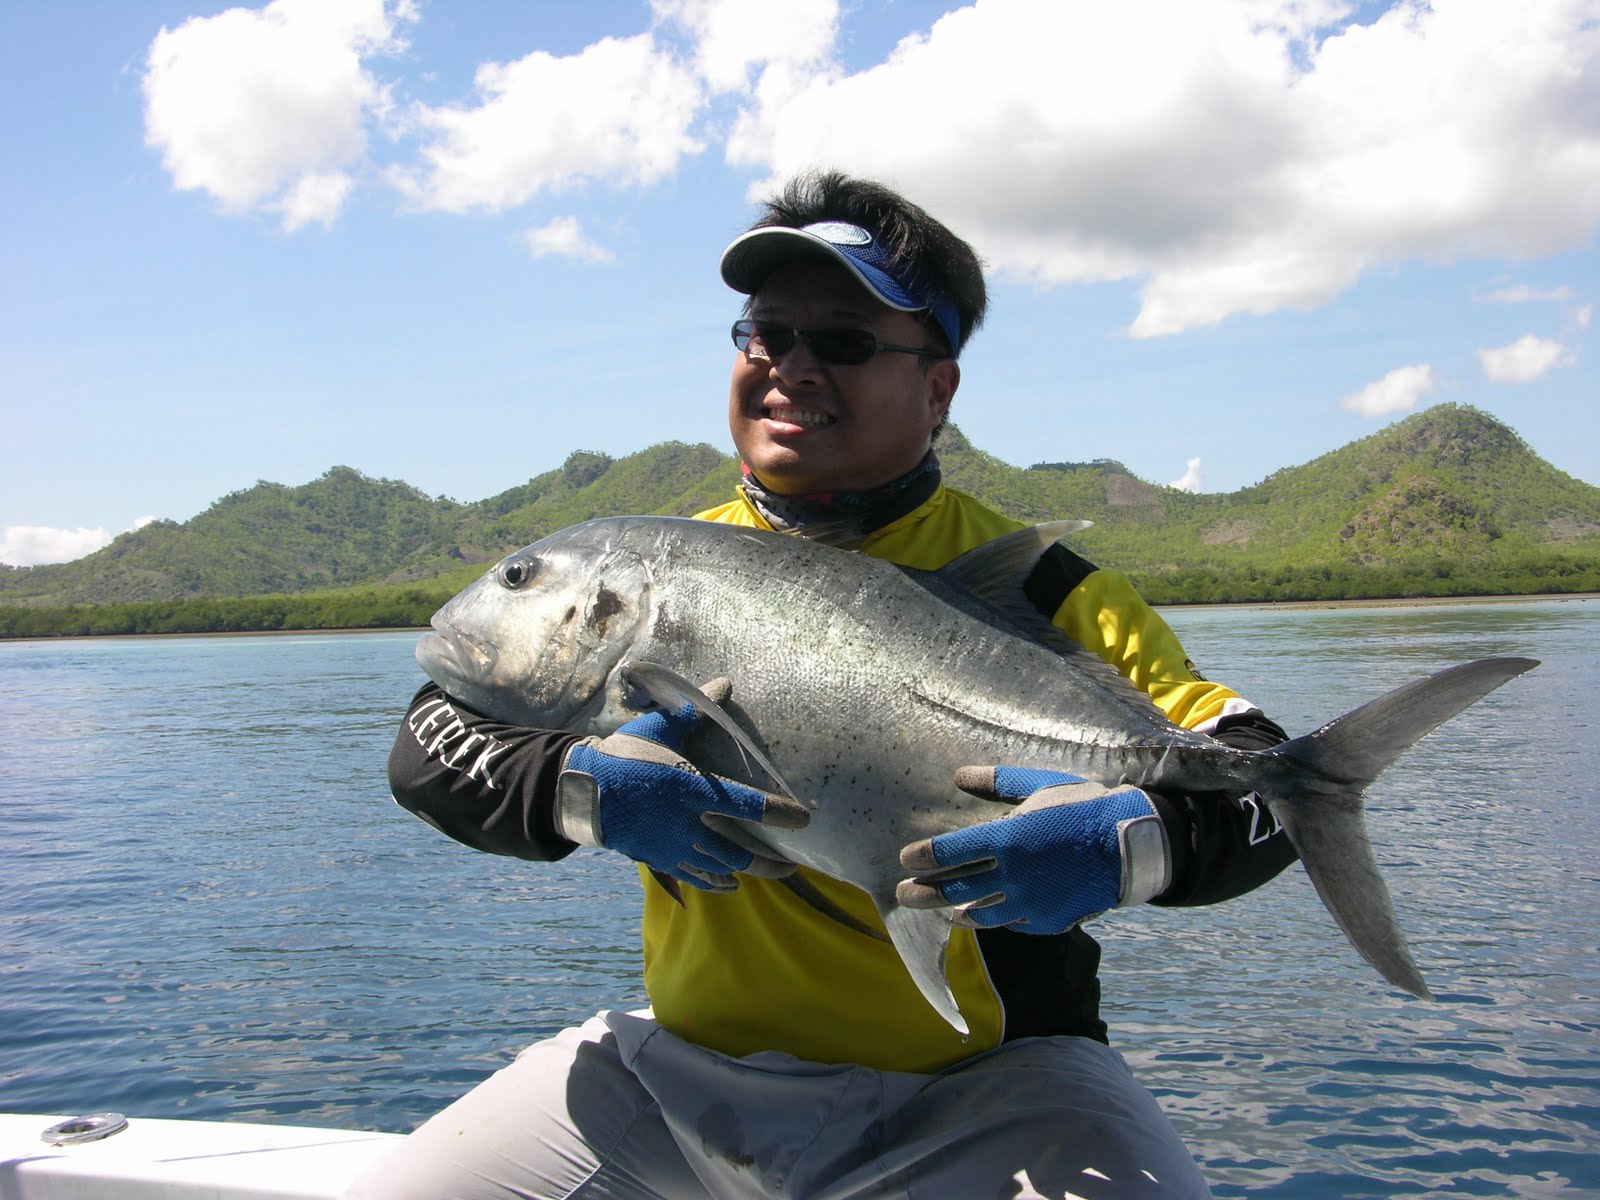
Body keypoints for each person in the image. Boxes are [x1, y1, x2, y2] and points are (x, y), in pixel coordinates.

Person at [347, 171, 1296, 1200]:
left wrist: (1137, 848)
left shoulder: (1046, 589)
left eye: (841, 342)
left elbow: (1265, 783)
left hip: (990, 1093)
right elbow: (428, 746)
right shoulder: (660, 568)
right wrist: (583, 789)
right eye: (764, 335)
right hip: (682, 1082)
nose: (789, 367)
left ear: (938, 388)